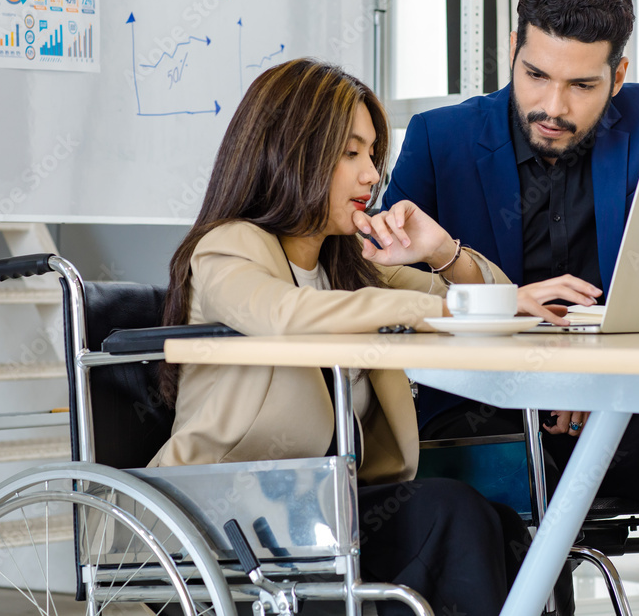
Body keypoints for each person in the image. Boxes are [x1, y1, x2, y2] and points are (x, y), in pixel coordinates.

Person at [381, 0, 639, 616]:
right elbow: (395, 296)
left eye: (582, 85)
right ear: (513, 49)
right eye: (535, 74)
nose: (552, 107)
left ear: (618, 77)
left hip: (613, 405)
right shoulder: (439, 139)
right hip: (483, 416)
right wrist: (541, 383)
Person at [150, 58, 580, 616]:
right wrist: (439, 306)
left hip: (325, 506)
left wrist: (437, 250)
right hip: (232, 510)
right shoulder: (229, 248)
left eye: (373, 154)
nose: (372, 175)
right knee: (451, 514)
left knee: (502, 525)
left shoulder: (346, 261)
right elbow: (285, 313)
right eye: (351, 153)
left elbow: (502, 299)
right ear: (289, 153)